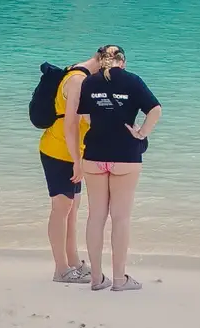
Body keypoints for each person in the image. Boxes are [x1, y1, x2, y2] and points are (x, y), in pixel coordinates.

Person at [63, 45, 162, 293]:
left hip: (95, 156)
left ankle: (96, 278)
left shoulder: (90, 83)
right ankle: (119, 280)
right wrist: (141, 133)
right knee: (121, 218)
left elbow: (84, 117)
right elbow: (156, 109)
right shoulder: (132, 81)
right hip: (126, 157)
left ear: (100, 61)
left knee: (96, 217)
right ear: (123, 62)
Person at [38, 50, 104, 282]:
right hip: (59, 151)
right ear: (101, 61)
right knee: (61, 207)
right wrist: (77, 161)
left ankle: (73, 261)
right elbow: (70, 124)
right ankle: (61, 269)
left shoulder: (79, 74)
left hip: (71, 152)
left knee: (72, 208)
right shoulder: (77, 80)